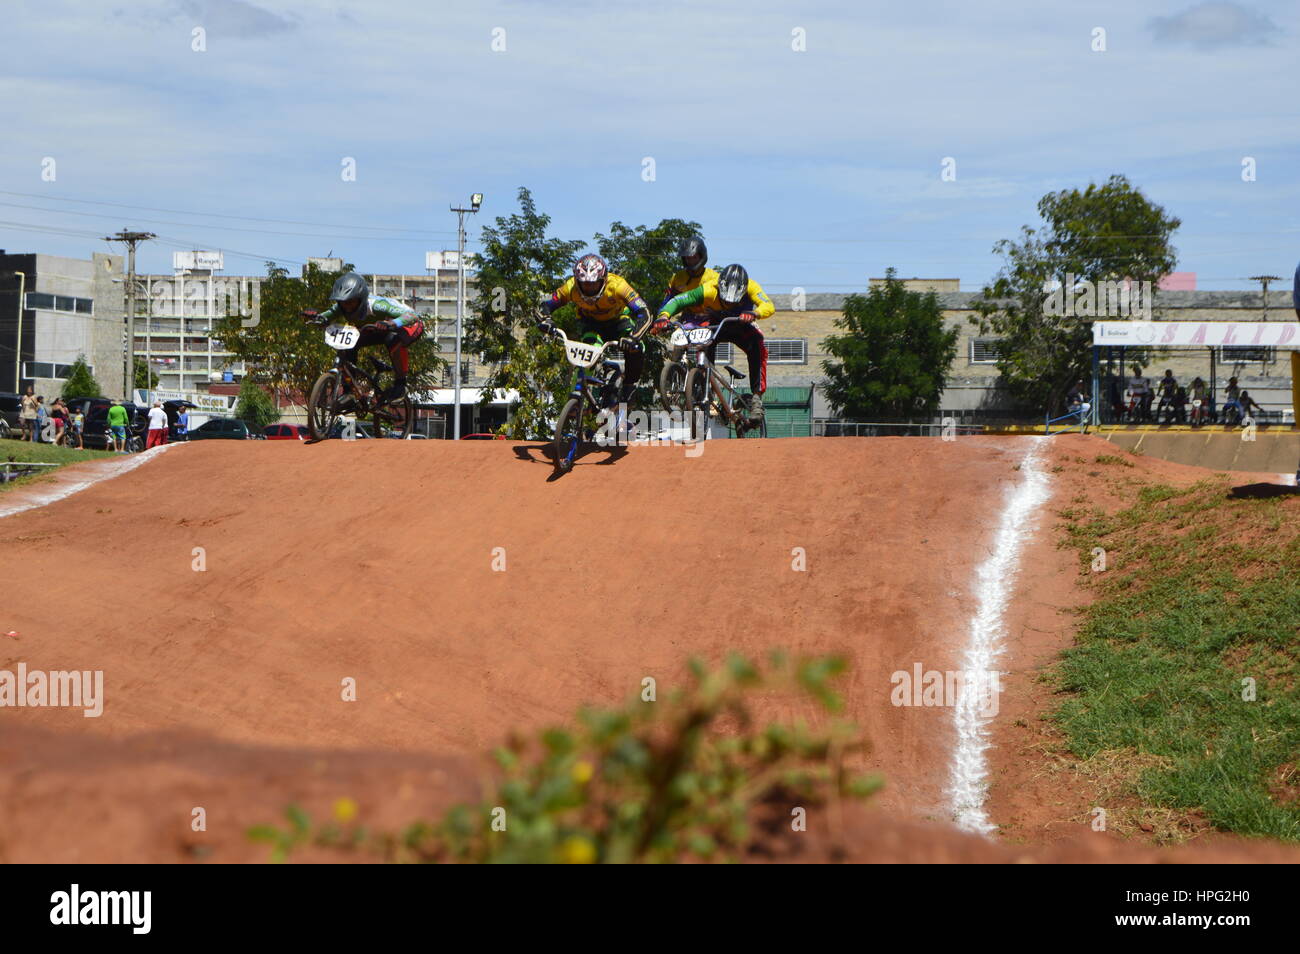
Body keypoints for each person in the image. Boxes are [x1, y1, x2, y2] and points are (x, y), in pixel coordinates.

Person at [653, 263, 775, 420]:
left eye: (734, 302)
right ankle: (704, 387)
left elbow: (769, 305)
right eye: (726, 301)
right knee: (702, 343)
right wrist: (664, 316)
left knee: (758, 344)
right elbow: (678, 300)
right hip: (717, 325)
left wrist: (755, 313)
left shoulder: (752, 286)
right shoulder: (709, 288)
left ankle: (757, 398)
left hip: (742, 325)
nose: (730, 304)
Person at [538, 254, 653, 417]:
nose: (589, 288)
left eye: (593, 284)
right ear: (577, 281)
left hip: (619, 322)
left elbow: (644, 312)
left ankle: (629, 388)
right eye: (584, 284)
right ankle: (576, 397)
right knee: (588, 351)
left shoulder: (618, 285)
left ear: (604, 279)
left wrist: (634, 337)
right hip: (591, 324)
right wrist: (546, 320)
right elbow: (546, 304)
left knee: (637, 348)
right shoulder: (570, 287)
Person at [303, 272, 425, 407]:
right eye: (343, 303)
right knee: (349, 346)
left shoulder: (376, 305)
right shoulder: (341, 307)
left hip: (408, 324)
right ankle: (349, 392)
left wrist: (392, 324)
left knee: (394, 340)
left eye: (350, 302)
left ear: (361, 299)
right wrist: (316, 317)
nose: (347, 306)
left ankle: (401, 385)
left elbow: (413, 316)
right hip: (375, 329)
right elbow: (327, 316)